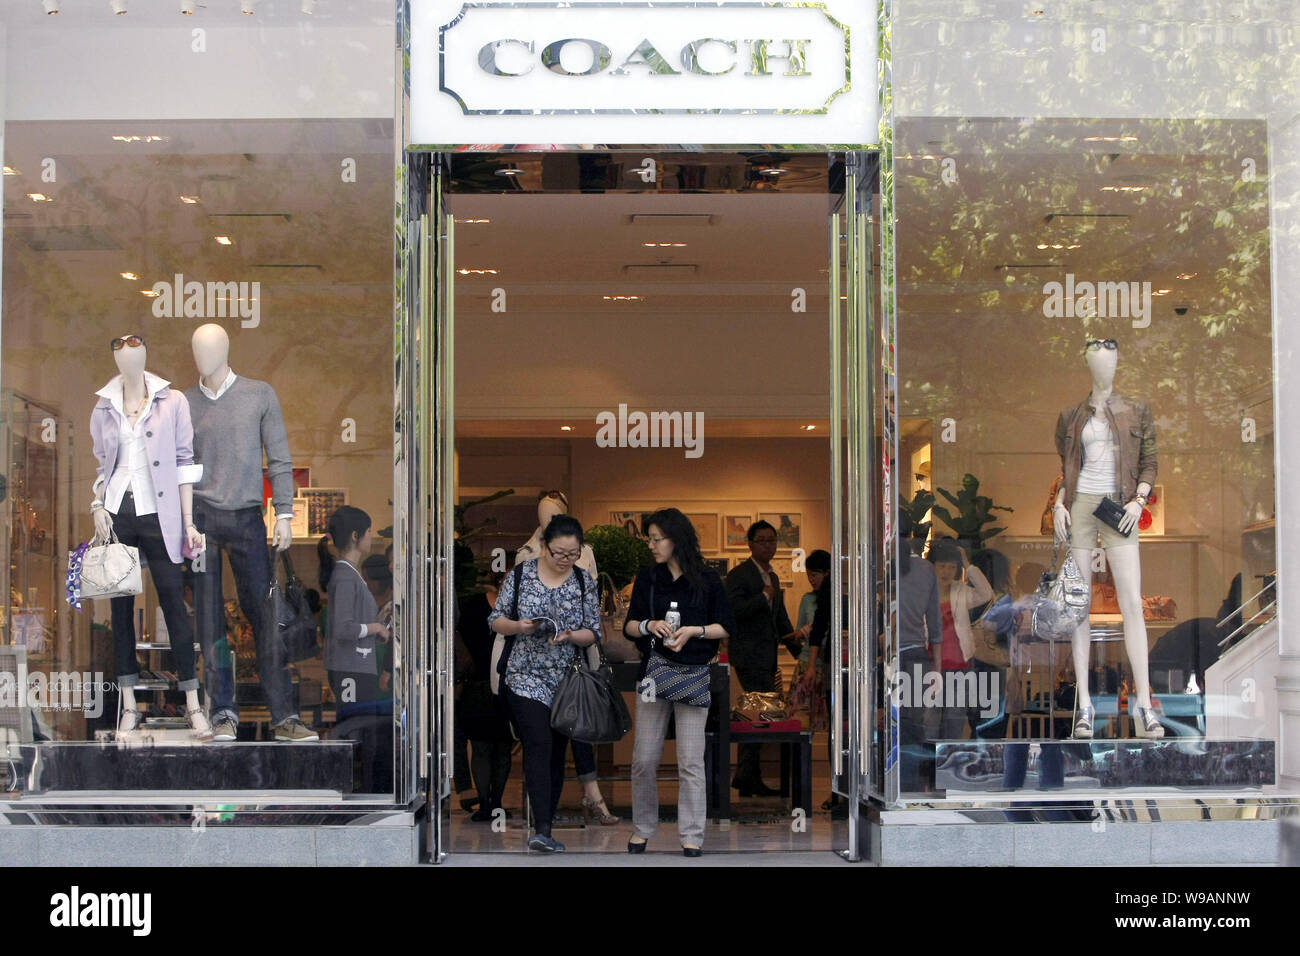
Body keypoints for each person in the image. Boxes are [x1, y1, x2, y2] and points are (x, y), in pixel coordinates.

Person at [88, 333, 211, 738]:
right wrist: (97, 507)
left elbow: (184, 462)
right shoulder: (104, 406)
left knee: (174, 603)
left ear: (143, 357)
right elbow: (105, 467)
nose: (128, 362)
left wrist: (188, 522)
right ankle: (127, 706)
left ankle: (193, 703)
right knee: (120, 610)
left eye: (134, 354)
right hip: (119, 511)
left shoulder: (172, 401)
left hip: (160, 513)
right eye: (120, 356)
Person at [624, 508, 734, 857]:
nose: (652, 545)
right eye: (650, 539)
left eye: (658, 539)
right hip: (654, 673)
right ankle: (642, 828)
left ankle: (691, 835)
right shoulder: (649, 578)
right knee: (643, 757)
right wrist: (648, 626)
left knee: (690, 760)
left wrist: (693, 632)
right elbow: (629, 625)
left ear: (677, 539)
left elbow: (725, 626)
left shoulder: (708, 579)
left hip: (694, 674)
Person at [489, 514, 600, 853]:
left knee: (556, 753)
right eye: (559, 553)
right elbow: (495, 621)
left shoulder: (583, 581)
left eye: (573, 553)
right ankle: (543, 828)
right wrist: (519, 627)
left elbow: (593, 630)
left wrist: (570, 635)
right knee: (538, 744)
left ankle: (546, 827)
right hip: (524, 677)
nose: (566, 559)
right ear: (543, 547)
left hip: (568, 680)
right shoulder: (520, 575)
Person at [513, 491, 618, 827]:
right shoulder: (525, 555)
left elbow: (593, 602)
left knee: (581, 720)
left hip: (576, 652)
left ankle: (589, 794)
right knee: (542, 739)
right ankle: (541, 812)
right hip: (534, 659)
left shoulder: (584, 552)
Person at [322, 506, 393, 790]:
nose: (370, 537)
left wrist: (376, 627)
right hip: (350, 668)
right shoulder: (345, 576)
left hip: (358, 665)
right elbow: (343, 628)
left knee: (364, 730)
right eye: (367, 532)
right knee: (356, 731)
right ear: (355, 536)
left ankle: (363, 788)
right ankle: (355, 789)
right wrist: (375, 628)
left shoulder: (350, 574)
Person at [724, 520, 792, 796]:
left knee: (759, 716)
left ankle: (747, 776)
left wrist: (796, 643)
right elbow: (732, 610)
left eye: (772, 540)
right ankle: (747, 777)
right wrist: (762, 598)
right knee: (758, 716)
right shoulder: (740, 575)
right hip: (749, 656)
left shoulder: (773, 576)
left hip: (768, 656)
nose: (768, 545)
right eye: (762, 540)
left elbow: (780, 618)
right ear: (750, 544)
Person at [456, 571, 514, 822]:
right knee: (480, 746)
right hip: (478, 683)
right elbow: (457, 637)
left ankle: (496, 801)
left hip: (507, 686)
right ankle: (485, 802)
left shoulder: (520, 610)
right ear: (498, 579)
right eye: (505, 578)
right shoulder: (474, 605)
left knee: (503, 746)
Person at [895, 511, 942, 793]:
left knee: (888, 725)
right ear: (912, 535)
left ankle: (889, 785)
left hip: (885, 657)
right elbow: (934, 625)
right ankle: (909, 788)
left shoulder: (880, 567)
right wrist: (936, 669)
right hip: (916, 657)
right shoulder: (926, 570)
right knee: (913, 725)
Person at [928, 540, 993, 740]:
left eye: (951, 567)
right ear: (933, 567)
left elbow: (986, 593)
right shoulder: (925, 592)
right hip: (931, 668)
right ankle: (928, 769)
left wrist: (967, 563)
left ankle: (947, 766)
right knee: (930, 723)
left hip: (960, 667)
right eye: (941, 566)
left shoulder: (962, 591)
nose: (946, 571)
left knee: (955, 721)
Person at [790, 549, 832, 733]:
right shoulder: (807, 600)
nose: (811, 580)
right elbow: (798, 631)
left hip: (827, 664)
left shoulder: (835, 598)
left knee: (823, 720)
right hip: (808, 661)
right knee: (799, 718)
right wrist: (801, 633)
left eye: (815, 575)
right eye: (809, 575)